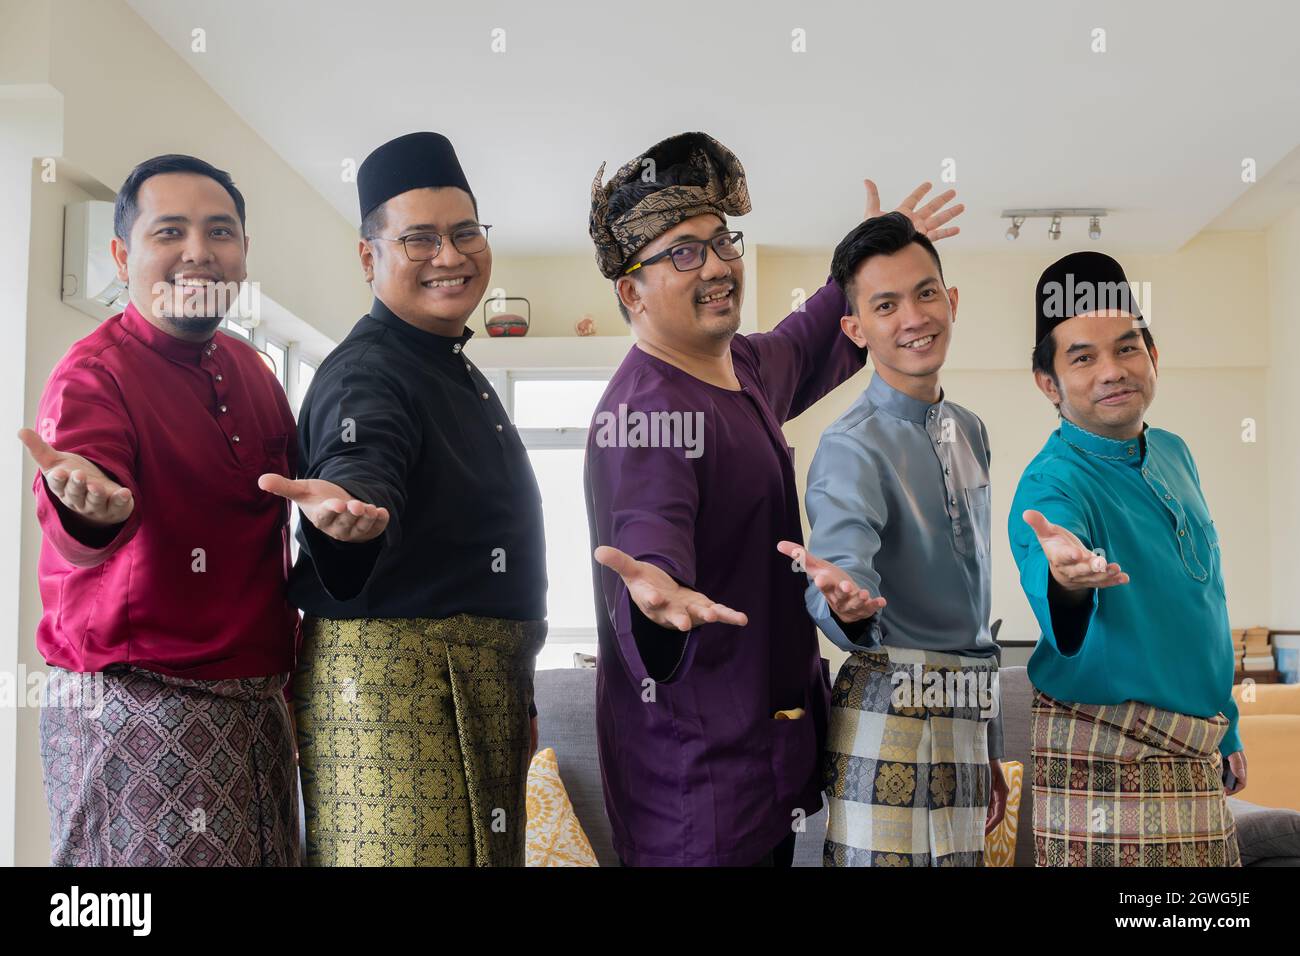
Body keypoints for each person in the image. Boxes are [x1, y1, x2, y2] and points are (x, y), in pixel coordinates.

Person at [585, 131, 963, 865]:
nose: (719, 265)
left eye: (721, 241)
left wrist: (870, 253)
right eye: (683, 253)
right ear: (631, 291)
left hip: (758, 769)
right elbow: (648, 532)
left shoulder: (740, 368)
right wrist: (656, 599)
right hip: (696, 798)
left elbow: (814, 331)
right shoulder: (648, 416)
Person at [262, 132, 546, 866]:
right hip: (395, 697)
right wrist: (345, 518)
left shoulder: (444, 359)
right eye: (419, 239)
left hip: (469, 686)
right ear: (370, 257)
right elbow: (362, 462)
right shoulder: (372, 372)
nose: (449, 256)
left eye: (464, 233)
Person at [22, 154, 299, 866]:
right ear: (122, 254)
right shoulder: (94, 372)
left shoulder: (252, 371)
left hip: (256, 710)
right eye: (169, 231)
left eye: (221, 232)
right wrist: (92, 509)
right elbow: (81, 500)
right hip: (137, 709)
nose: (199, 253)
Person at [1009, 250, 1244, 867]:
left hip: (1196, 746)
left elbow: (1205, 596)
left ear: (1154, 356)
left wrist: (1231, 723)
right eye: (1083, 357)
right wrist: (1069, 578)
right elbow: (1054, 574)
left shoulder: (1175, 451)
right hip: (1106, 750)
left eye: (1128, 347)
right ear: (1048, 384)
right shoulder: (1051, 484)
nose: (1112, 370)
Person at [788, 211, 1005, 866]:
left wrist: (988, 745)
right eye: (886, 304)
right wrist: (843, 602)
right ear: (855, 328)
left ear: (951, 300)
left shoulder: (969, 429)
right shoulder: (850, 445)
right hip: (891, 707)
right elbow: (842, 563)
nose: (913, 317)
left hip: (966, 709)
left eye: (925, 293)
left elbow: (974, 610)